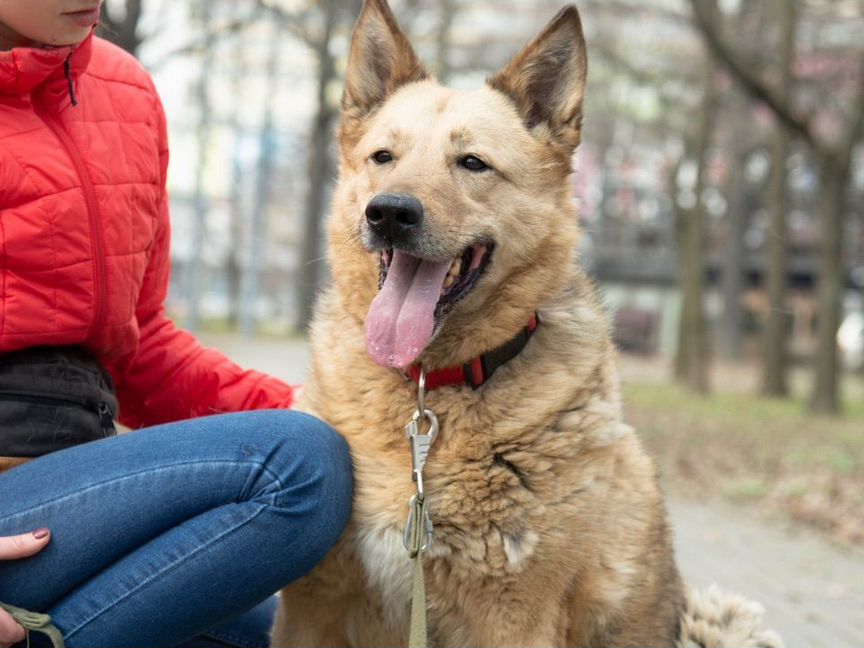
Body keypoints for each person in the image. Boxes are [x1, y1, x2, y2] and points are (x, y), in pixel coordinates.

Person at [0, 2, 353, 647]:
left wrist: (345, 416)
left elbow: (144, 351)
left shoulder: (126, 92)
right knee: (294, 467)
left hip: (80, 496)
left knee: (291, 636)